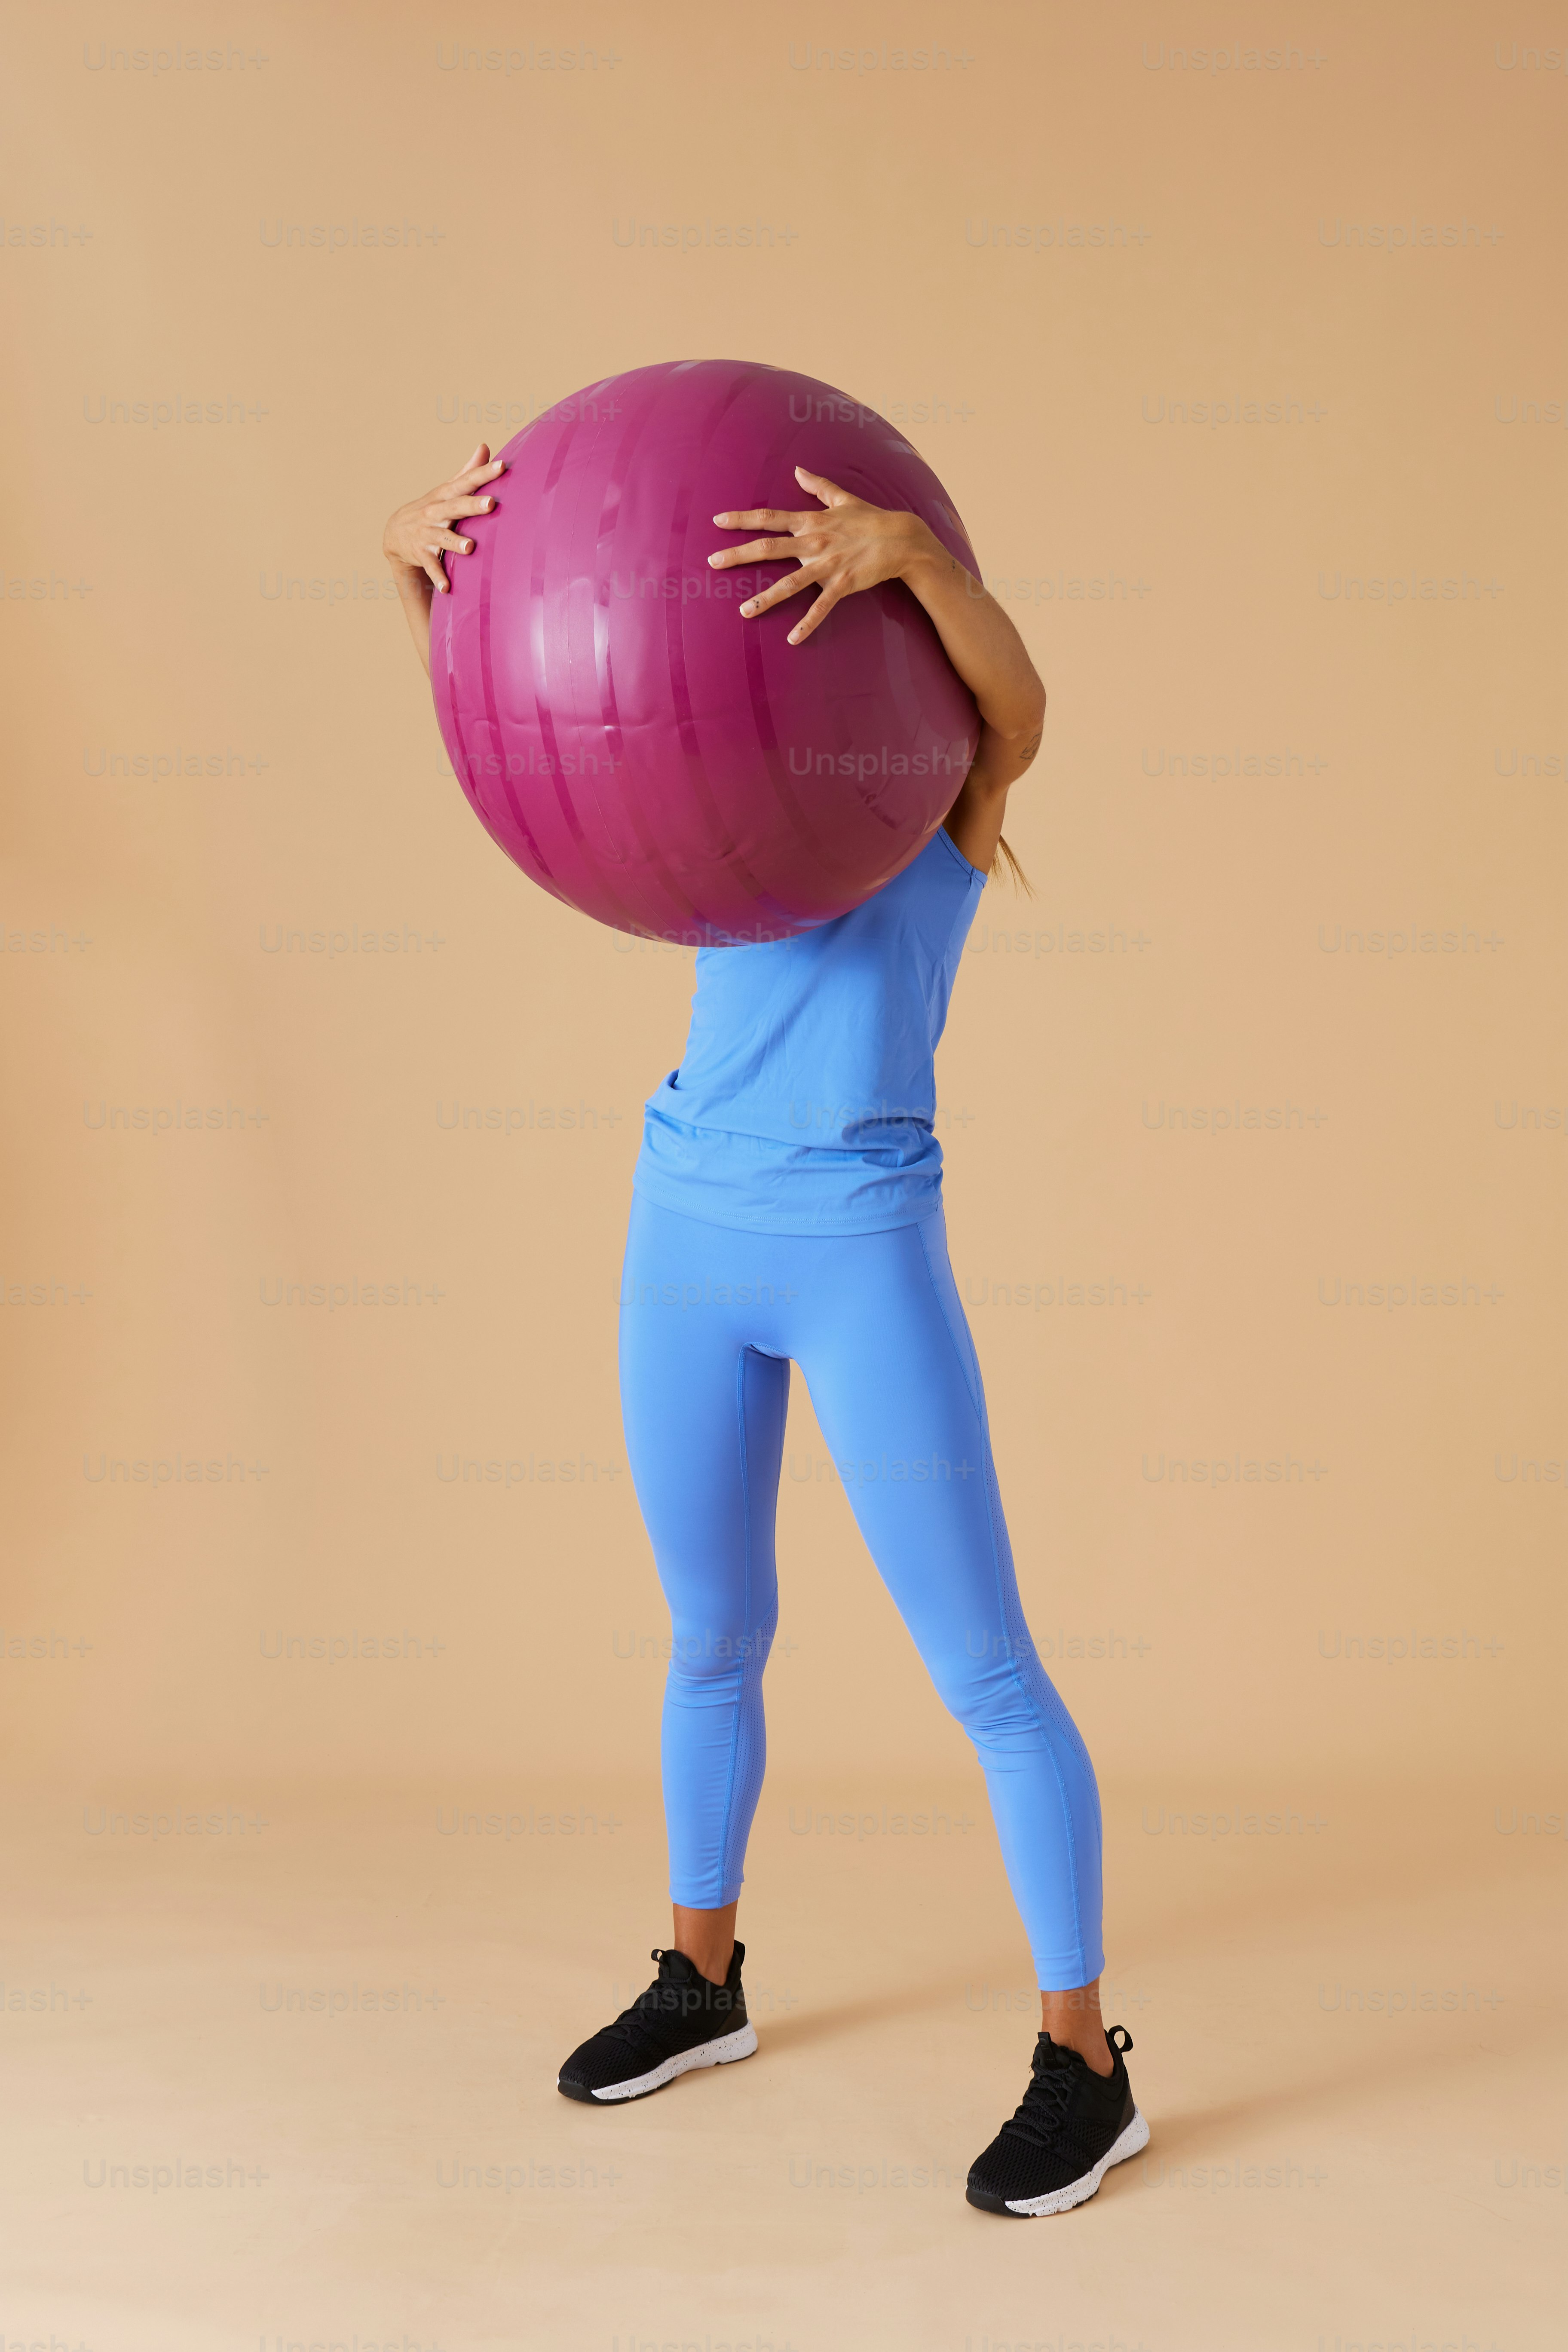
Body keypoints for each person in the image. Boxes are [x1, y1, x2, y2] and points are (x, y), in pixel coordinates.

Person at [383, 441, 1148, 2218]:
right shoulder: (730, 788)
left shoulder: (942, 797)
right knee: (712, 1634)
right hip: (683, 1233)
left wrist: (915, 558)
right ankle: (702, 1981)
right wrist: (408, 574)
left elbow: (1024, 705)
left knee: (987, 1676)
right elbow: (535, 734)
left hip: (858, 1244)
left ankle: (1088, 2064)